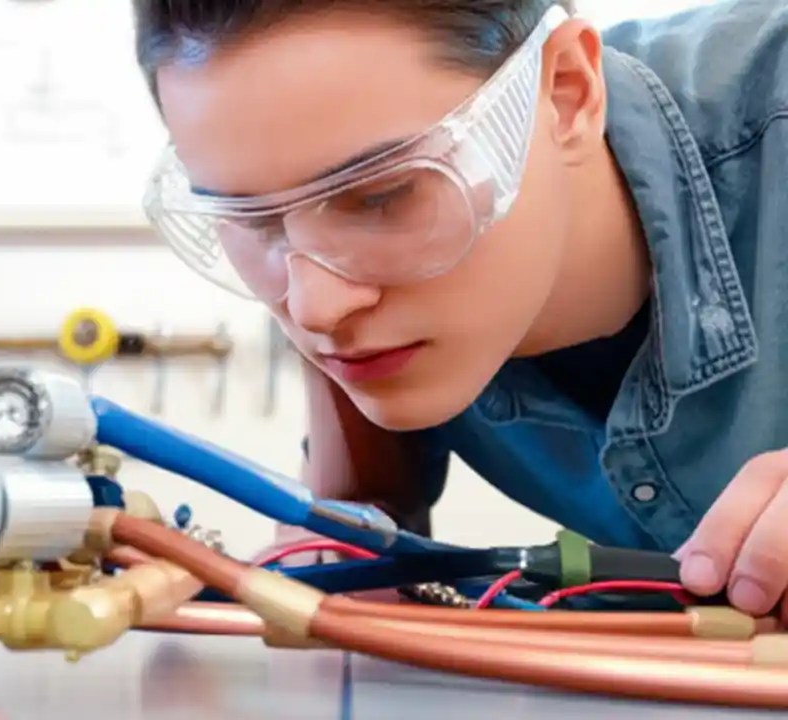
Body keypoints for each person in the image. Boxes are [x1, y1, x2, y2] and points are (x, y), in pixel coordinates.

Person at [132, 0, 788, 621]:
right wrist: (346, 527)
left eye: (383, 196)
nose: (316, 308)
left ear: (567, 92)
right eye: (253, 221)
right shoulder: (342, 293)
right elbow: (356, 549)